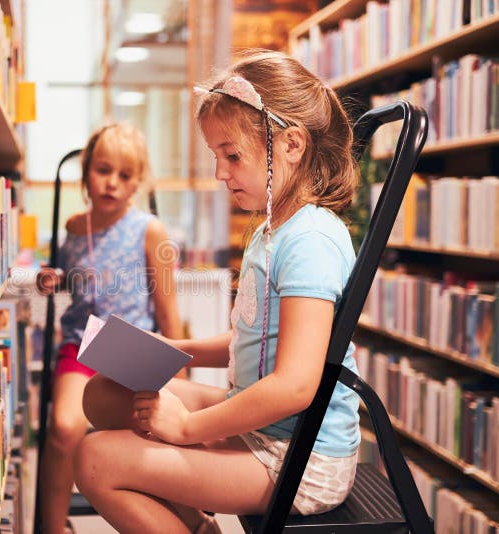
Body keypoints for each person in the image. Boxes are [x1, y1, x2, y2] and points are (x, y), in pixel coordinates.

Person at [73, 49, 361, 534]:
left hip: (297, 458)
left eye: (233, 156)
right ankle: (196, 523)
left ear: (291, 145)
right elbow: (257, 339)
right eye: (215, 156)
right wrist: (179, 351)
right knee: (104, 393)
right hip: (261, 424)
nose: (220, 172)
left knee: (95, 460)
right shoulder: (276, 229)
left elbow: (294, 384)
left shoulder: (310, 240)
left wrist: (186, 428)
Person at [36, 122, 184, 534]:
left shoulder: (149, 230)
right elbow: (77, 276)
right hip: (81, 343)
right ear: (86, 173)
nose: (112, 183)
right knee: (63, 427)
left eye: (124, 175)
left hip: (133, 346)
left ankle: (187, 519)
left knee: (153, 433)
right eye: (103, 170)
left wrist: (178, 377)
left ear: (137, 181)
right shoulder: (72, 228)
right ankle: (52, 528)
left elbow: (167, 310)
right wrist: (55, 278)